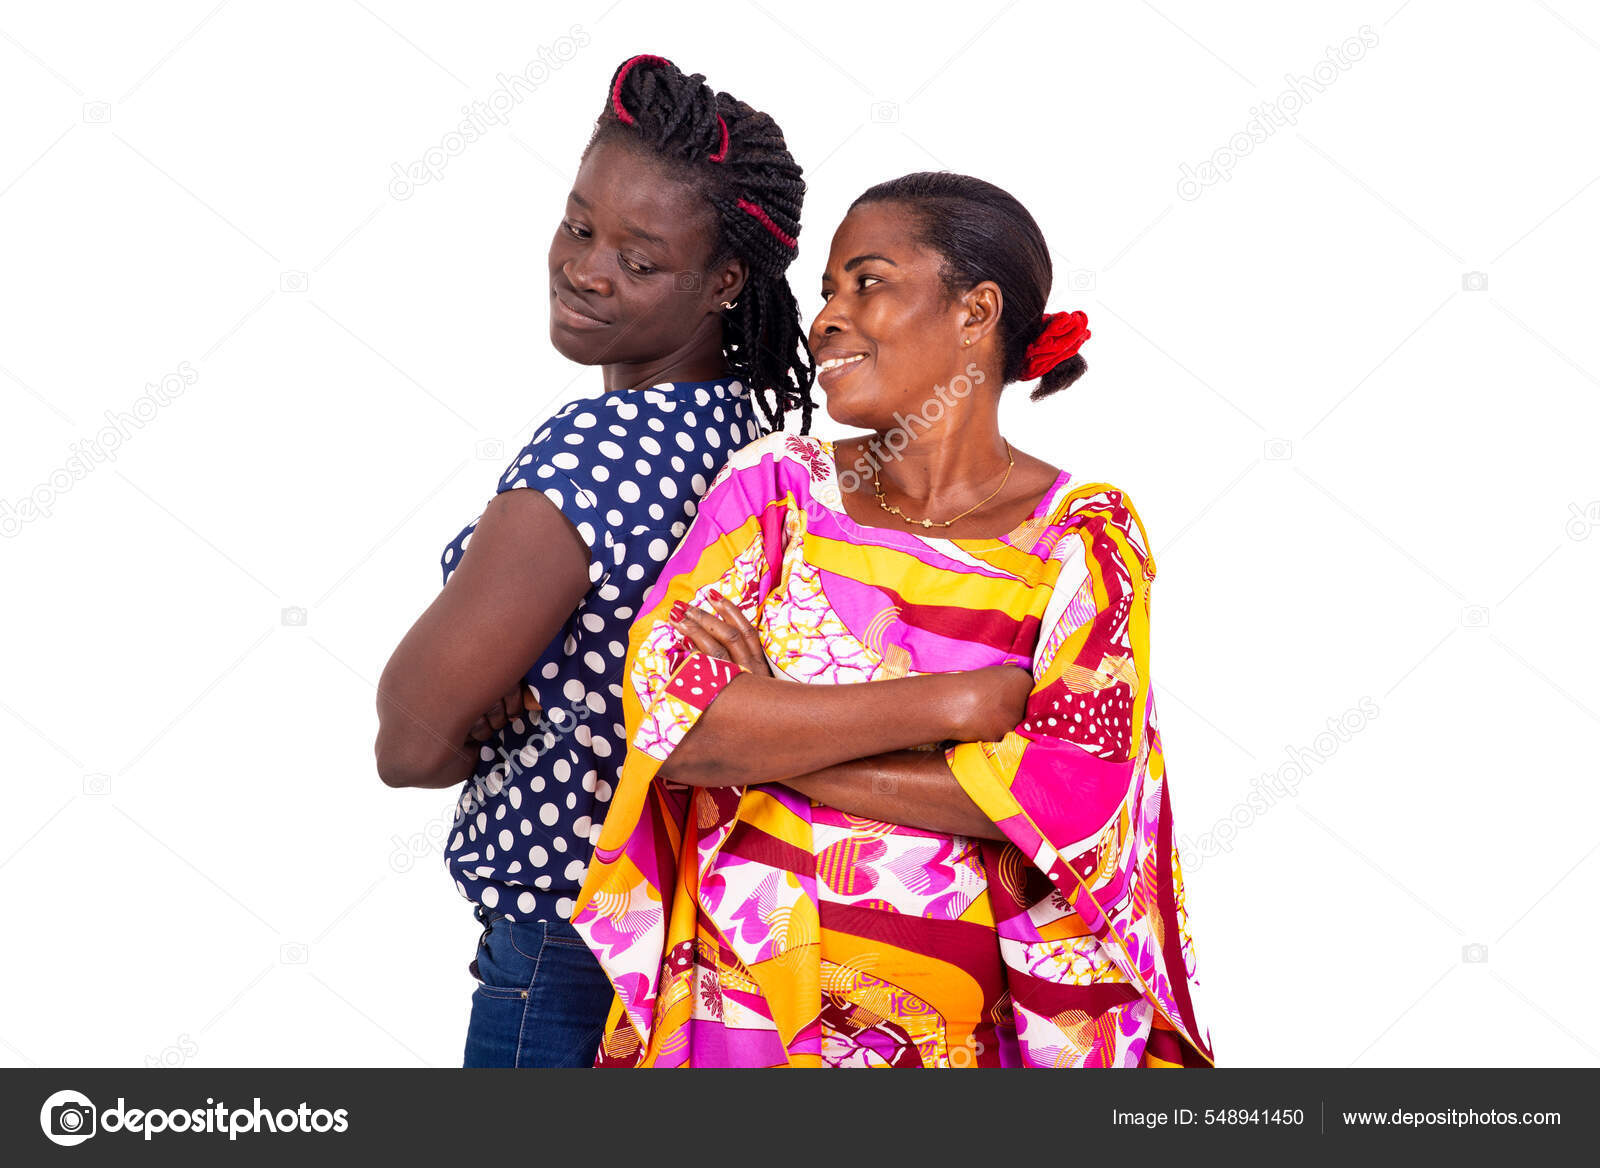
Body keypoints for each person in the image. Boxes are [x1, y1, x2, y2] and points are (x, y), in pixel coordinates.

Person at [571, 172, 1213, 1067]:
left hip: (957, 1039)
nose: (827, 316)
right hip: (740, 1015)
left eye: (866, 281)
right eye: (828, 290)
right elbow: (673, 730)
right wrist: (953, 708)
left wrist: (778, 738)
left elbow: (1070, 795)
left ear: (975, 313)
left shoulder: (1081, 542)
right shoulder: (777, 492)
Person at [374, 54, 813, 1068]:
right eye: (580, 226)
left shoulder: (589, 458)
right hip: (683, 949)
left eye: (639, 257)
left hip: (559, 957)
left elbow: (408, 741)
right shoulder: (746, 444)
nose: (586, 267)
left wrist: (472, 729)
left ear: (725, 281)